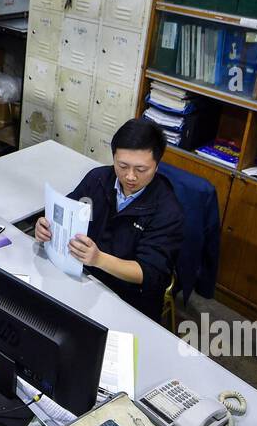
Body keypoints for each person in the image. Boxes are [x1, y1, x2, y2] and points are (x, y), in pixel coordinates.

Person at [34, 118, 184, 311]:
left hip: (129, 299)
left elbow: (149, 273)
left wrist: (99, 259)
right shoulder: (98, 179)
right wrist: (45, 226)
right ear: (113, 157)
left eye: (141, 169)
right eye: (122, 166)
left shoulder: (168, 211)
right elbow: (66, 209)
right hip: (83, 278)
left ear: (157, 165)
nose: (130, 176)